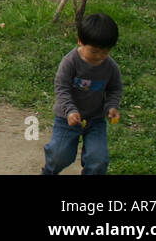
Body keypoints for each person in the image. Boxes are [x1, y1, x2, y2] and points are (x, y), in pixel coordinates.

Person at [43, 13, 123, 175]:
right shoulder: (70, 62)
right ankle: (49, 172)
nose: (99, 57)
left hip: (95, 120)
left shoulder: (110, 67)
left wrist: (112, 106)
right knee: (60, 156)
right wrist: (70, 110)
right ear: (80, 41)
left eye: (105, 52)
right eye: (94, 52)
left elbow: (115, 88)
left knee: (98, 160)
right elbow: (62, 88)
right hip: (67, 119)